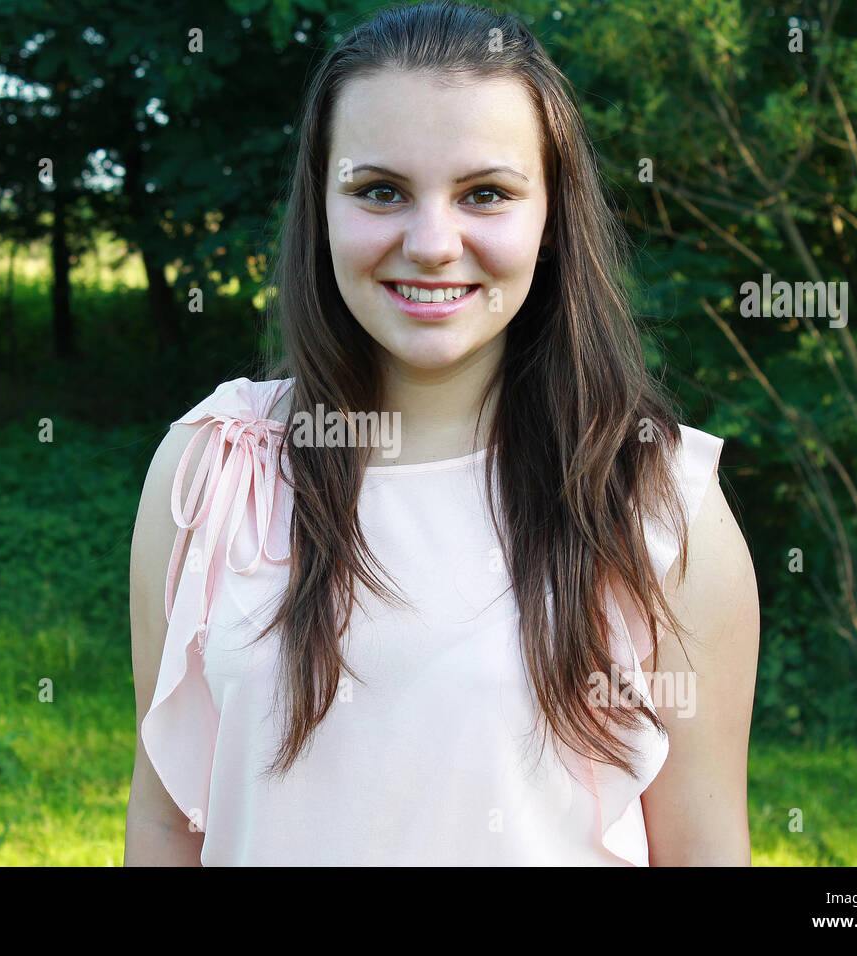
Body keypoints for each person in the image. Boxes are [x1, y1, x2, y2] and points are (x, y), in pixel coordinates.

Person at [124, 0, 759, 866]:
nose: (431, 243)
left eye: (485, 194)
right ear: (321, 208)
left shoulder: (659, 505)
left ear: (552, 216)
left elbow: (704, 854)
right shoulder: (211, 470)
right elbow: (166, 828)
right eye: (380, 191)